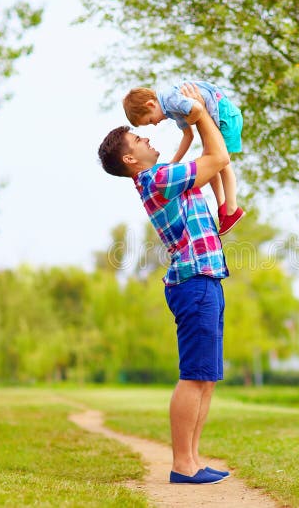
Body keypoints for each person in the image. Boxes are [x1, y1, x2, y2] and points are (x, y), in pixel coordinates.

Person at [97, 83, 230, 485]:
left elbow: (204, 163)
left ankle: (191, 460)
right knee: (194, 375)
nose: (146, 136)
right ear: (130, 157)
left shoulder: (161, 177)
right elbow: (220, 157)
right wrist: (200, 111)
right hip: (194, 281)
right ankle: (182, 466)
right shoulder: (155, 180)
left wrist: (192, 126)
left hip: (204, 279)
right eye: (138, 137)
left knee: (205, 376)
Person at [122, 81, 245, 235]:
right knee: (212, 167)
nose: (154, 124)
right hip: (217, 119)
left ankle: (232, 209)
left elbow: (198, 108)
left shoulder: (169, 99)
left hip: (226, 116)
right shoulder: (171, 110)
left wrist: (192, 119)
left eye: (150, 120)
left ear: (151, 105)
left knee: (222, 163)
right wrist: (173, 163)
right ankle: (222, 207)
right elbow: (188, 136)